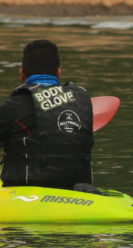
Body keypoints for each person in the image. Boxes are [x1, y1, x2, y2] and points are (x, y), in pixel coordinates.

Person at [1, 40, 95, 190]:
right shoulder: (82, 100)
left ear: (21, 74)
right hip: (78, 188)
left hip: (26, 191)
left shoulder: (14, 106)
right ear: (59, 72)